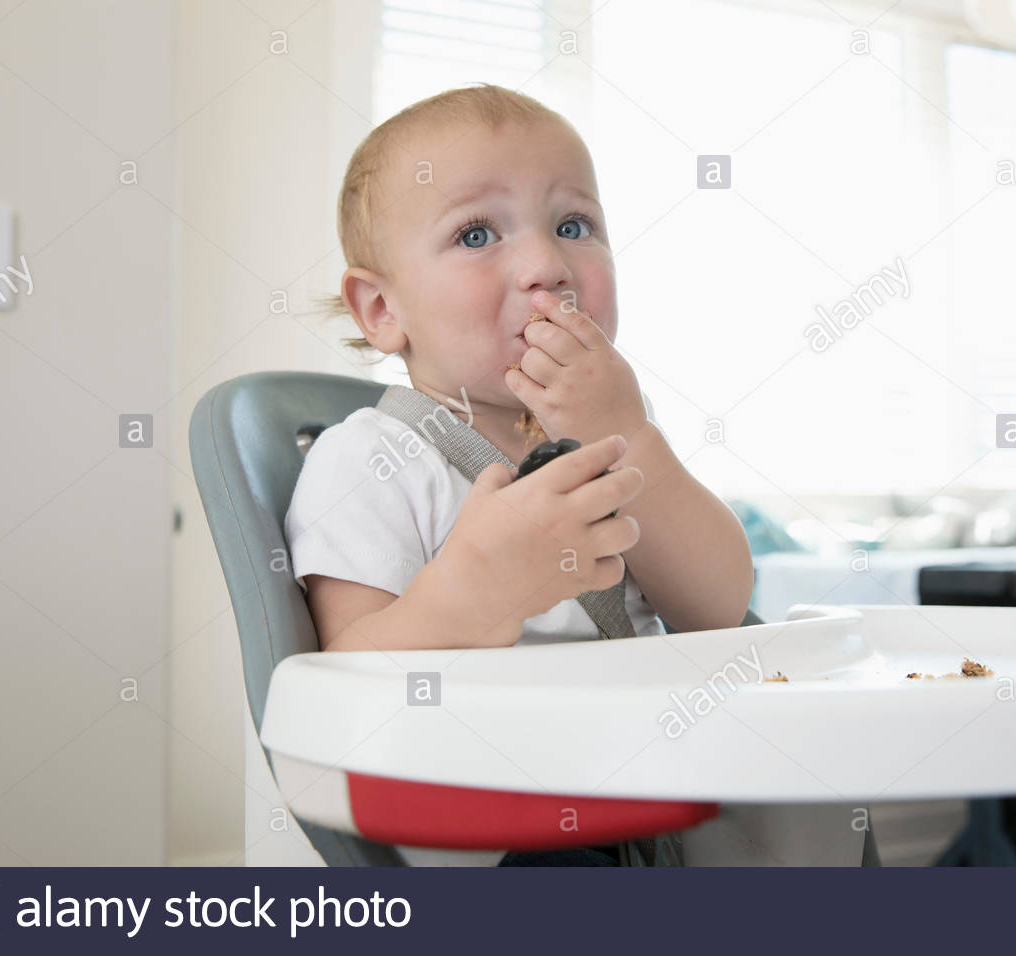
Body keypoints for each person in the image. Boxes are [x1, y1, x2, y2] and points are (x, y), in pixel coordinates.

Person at [283, 83, 754, 865]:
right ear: (380, 311)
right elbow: (346, 685)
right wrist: (473, 593)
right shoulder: (371, 458)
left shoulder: (614, 443)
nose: (547, 265)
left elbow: (720, 608)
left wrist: (631, 434)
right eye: (476, 235)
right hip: (498, 832)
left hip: (650, 807)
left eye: (574, 225)